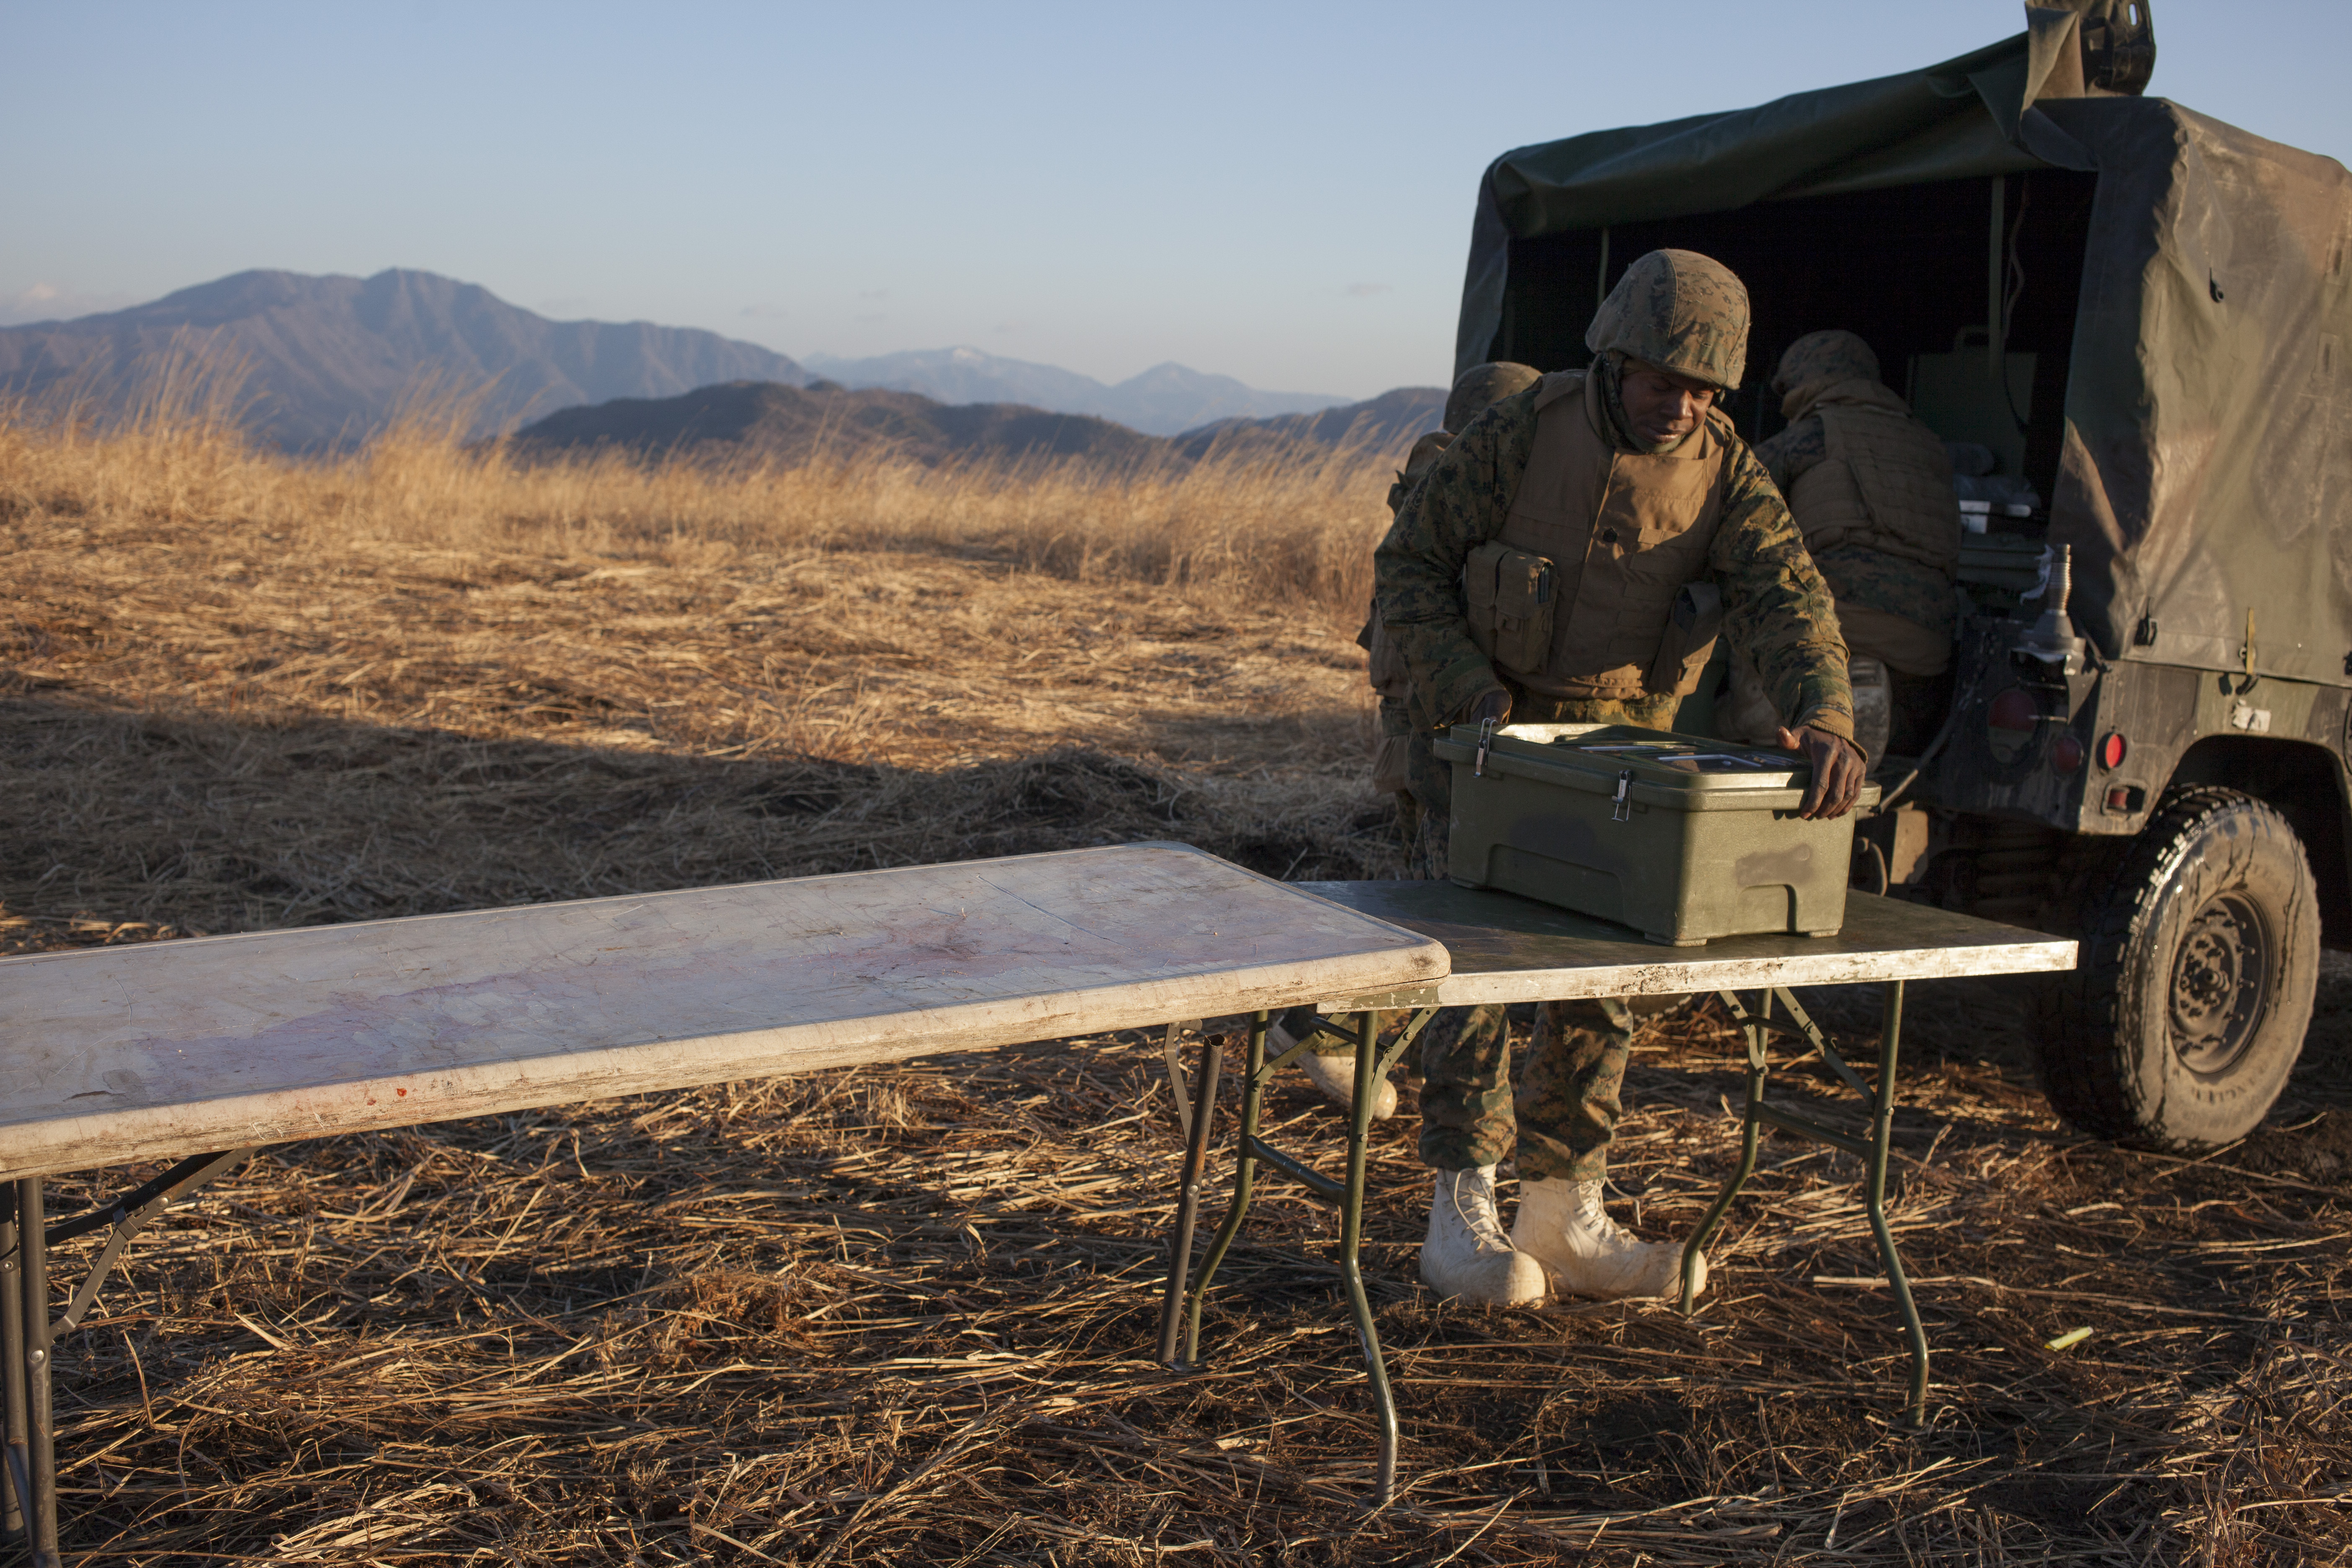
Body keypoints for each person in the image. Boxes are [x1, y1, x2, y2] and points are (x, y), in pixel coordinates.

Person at [1376, 249, 1865, 1307]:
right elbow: (1409, 565)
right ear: (1614, 357)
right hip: (1483, 747)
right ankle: (1459, 1209)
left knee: (1605, 980)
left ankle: (1562, 1210)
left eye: (1702, 389)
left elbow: (1788, 595)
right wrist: (1466, 691)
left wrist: (1825, 712)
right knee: (1474, 978)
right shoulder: (1519, 432)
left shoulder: (1724, 466)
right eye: (1661, 381)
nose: (1679, 406)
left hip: (1613, 763)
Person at [1285, 362, 1545, 1122]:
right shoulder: (1454, 490)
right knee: (1444, 917)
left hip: (1440, 730)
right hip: (1434, 735)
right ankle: (1321, 1018)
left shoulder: (1446, 481)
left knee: (1437, 907)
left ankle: (1336, 1026)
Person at [1735, 330, 1965, 760]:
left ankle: (1766, 745)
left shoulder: (1813, 435)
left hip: (1840, 623)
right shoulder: (1930, 447)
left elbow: (1733, 495)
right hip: (1926, 647)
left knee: (1748, 622)